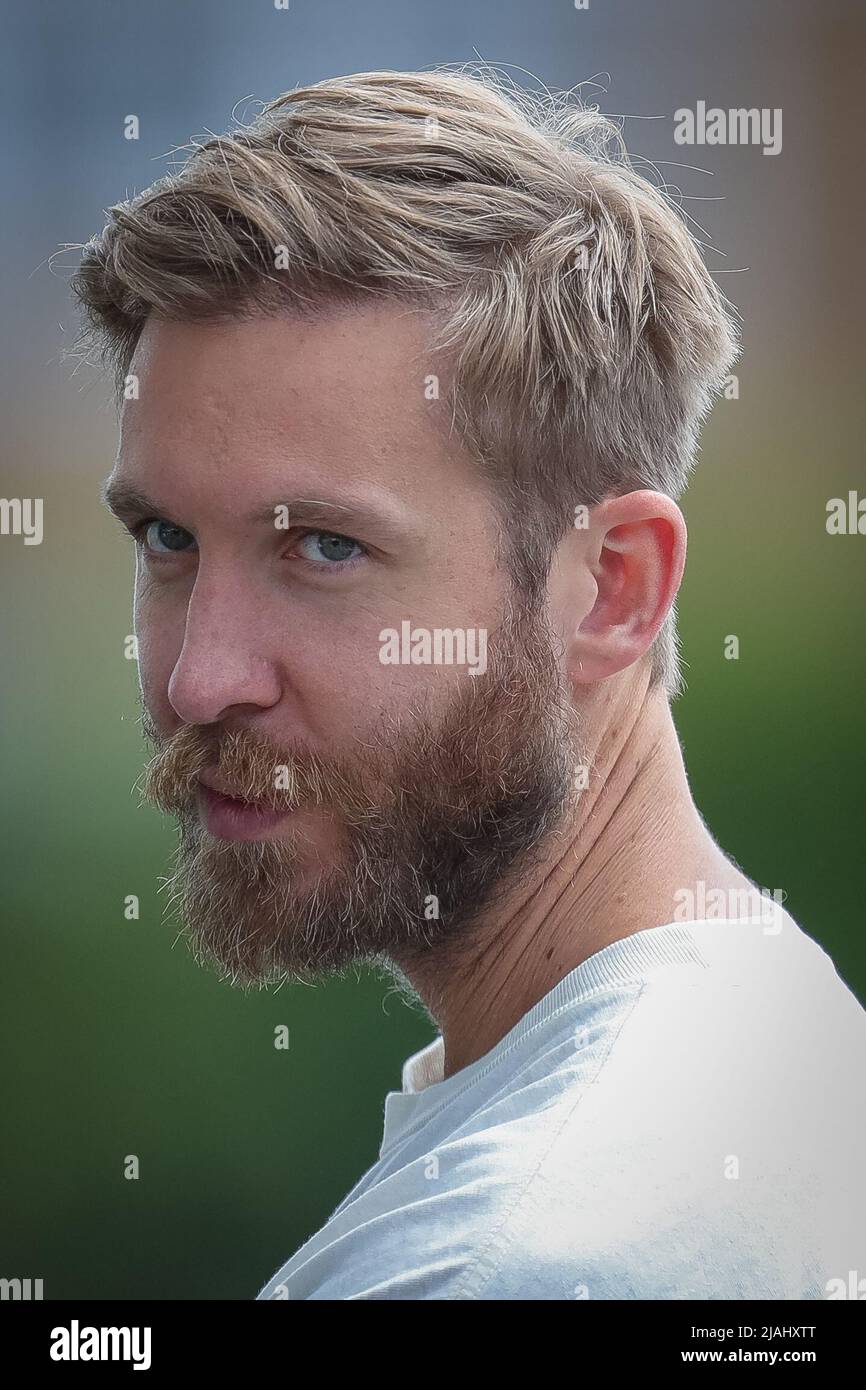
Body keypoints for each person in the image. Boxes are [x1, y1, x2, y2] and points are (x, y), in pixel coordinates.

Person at [72, 67, 866, 1299]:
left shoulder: (512, 1257)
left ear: (611, 590)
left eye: (324, 548)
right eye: (168, 541)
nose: (199, 677)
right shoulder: (776, 1057)